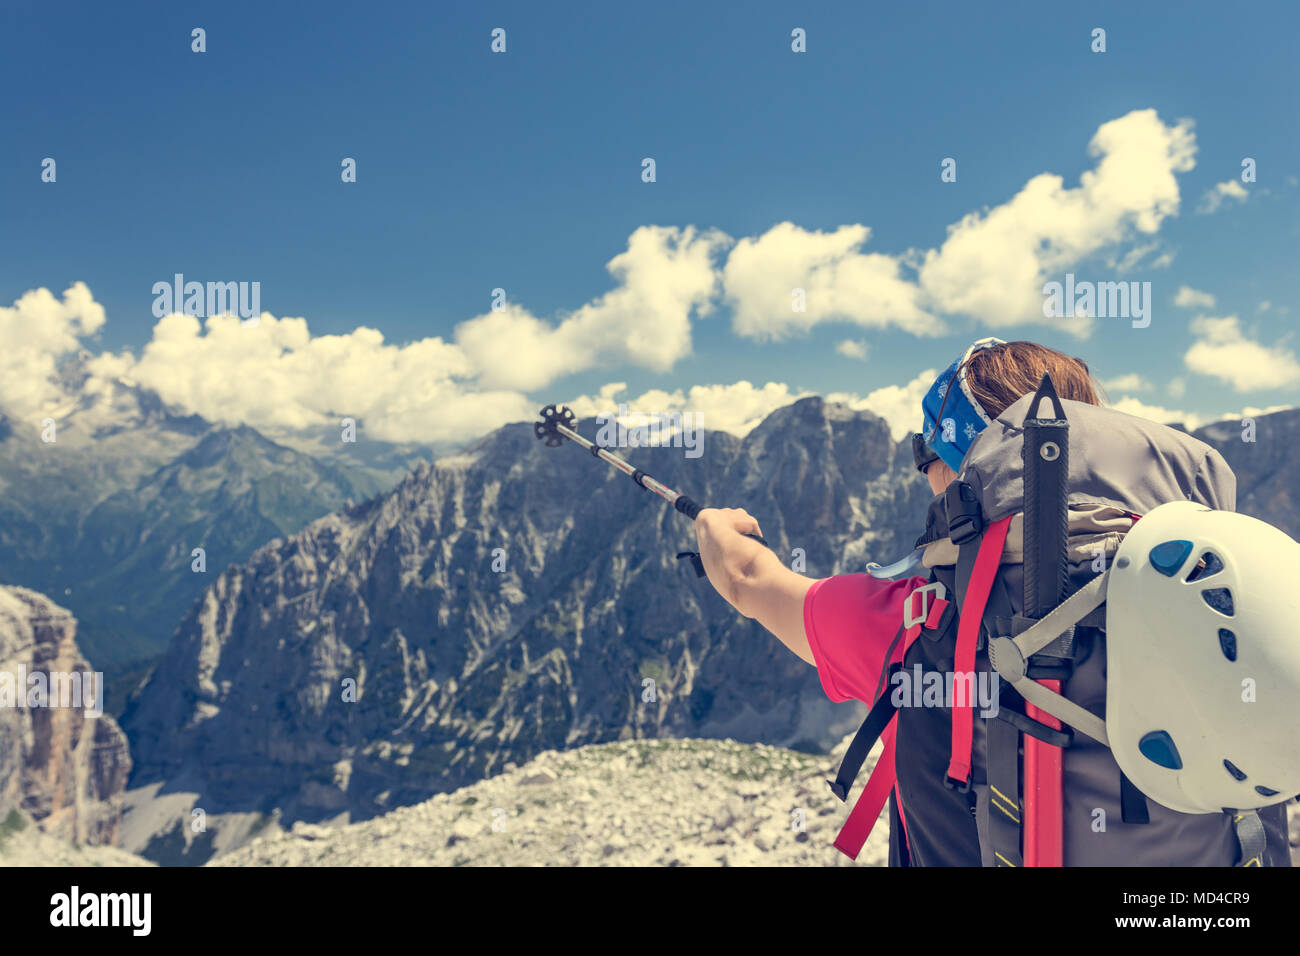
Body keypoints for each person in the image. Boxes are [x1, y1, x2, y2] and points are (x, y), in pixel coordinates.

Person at [692, 338, 1290, 866]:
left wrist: (716, 528)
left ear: (964, 466)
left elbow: (748, 581)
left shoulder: (913, 619)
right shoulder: (1214, 591)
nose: (924, 476)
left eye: (927, 456)